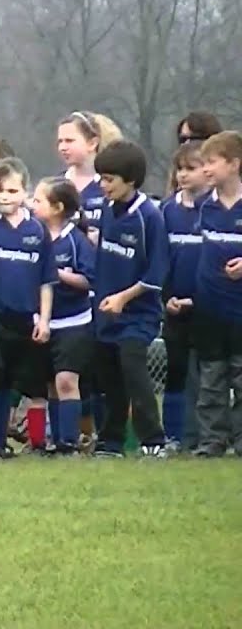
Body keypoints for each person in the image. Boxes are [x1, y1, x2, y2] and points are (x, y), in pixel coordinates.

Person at [0, 158, 56, 461]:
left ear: (24, 192)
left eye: (13, 190)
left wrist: (43, 319)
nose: (6, 196)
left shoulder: (37, 230)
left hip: (23, 318)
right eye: (0, 190)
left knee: (9, 379)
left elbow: (46, 280)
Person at [92, 140, 168, 458]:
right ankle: (111, 443)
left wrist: (124, 297)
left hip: (138, 314)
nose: (102, 185)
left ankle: (153, 440)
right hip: (107, 313)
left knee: (133, 371)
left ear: (131, 180)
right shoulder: (107, 211)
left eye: (109, 179)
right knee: (110, 380)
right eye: (101, 177)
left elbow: (157, 272)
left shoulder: (149, 216)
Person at [30, 177, 94, 455]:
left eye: (38, 200)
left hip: (73, 322)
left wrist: (58, 275)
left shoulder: (76, 240)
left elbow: (88, 280)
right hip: (40, 321)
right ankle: (45, 442)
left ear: (57, 207)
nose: (32, 205)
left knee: (66, 381)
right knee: (46, 386)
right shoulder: (32, 234)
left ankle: (69, 442)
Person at [191, 131, 242, 458]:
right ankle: (212, 441)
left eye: (212, 162)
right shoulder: (203, 206)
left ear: (234, 164)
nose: (205, 169)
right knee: (210, 379)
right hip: (209, 307)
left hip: (239, 309)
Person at [160, 142, 209, 450]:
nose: (183, 176)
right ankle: (174, 435)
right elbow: (159, 260)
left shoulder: (215, 210)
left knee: (207, 373)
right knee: (176, 370)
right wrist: (167, 297)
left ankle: (205, 434)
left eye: (191, 169)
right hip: (174, 306)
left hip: (207, 306)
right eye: (180, 169)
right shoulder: (167, 210)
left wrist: (199, 298)